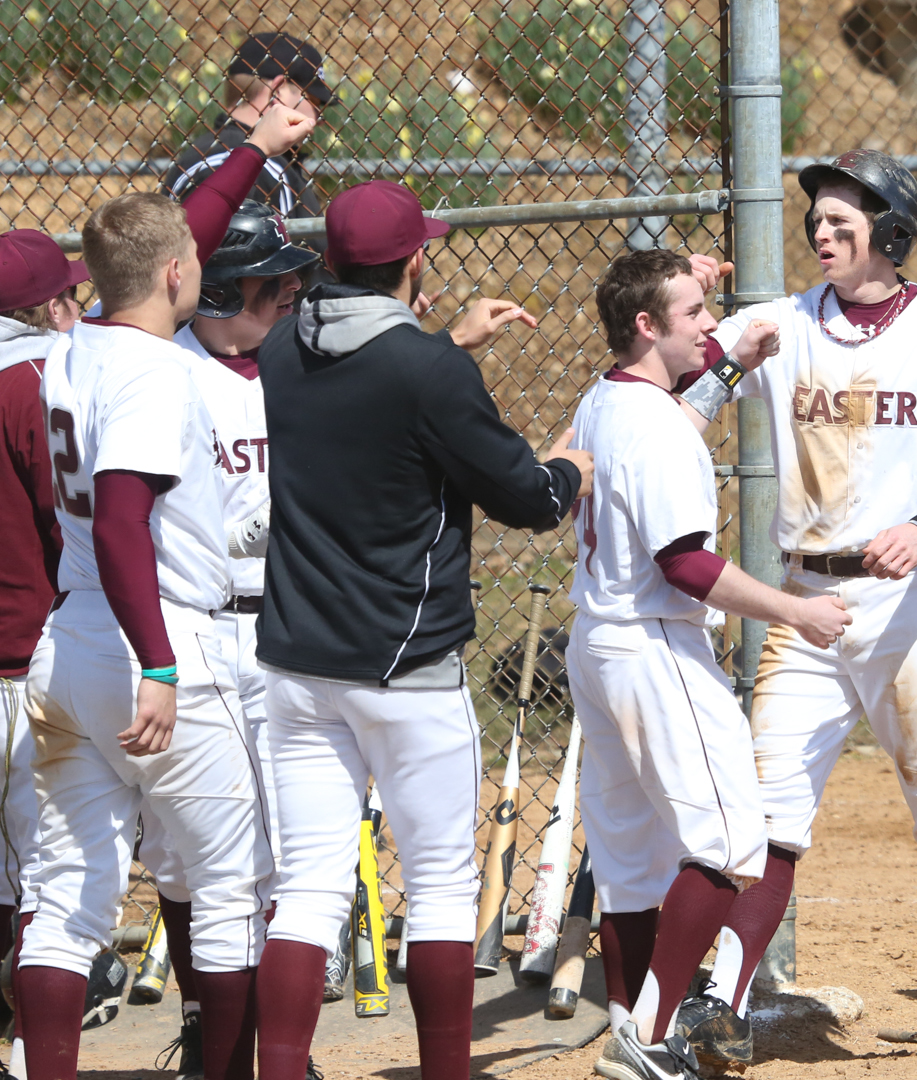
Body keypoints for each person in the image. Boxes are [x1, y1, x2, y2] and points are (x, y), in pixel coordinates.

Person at [668, 149, 917, 1067]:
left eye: (842, 221)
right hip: (806, 599)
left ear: (891, 232)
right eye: (817, 221)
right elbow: (683, 394)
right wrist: (705, 334)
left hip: (914, 606)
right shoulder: (785, 322)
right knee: (767, 810)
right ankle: (724, 1001)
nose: (821, 234)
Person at [247, 180, 590, 1080]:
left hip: (295, 659)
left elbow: (373, 390)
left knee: (308, 888)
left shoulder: (282, 345)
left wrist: (438, 341)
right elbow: (526, 498)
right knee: (440, 881)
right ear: (413, 262)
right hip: (405, 664)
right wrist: (571, 469)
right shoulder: (428, 370)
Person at [18, 104, 317, 1080]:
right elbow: (118, 518)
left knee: (68, 891)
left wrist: (251, 152)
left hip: (69, 652)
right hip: (167, 645)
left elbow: (179, 229)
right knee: (229, 888)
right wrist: (157, 661)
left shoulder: (69, 351)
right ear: (176, 275)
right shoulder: (156, 371)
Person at [567, 248, 851, 1080]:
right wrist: (795, 609)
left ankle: (628, 1021)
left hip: (601, 643)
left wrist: (724, 364)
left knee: (627, 862)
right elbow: (686, 563)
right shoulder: (651, 421)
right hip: (657, 644)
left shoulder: (606, 395)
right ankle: (649, 1041)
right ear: (648, 326)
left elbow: (673, 425)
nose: (708, 326)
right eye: (695, 314)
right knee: (732, 845)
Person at [135, 202, 324, 1080]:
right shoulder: (171, 374)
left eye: (293, 283)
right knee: (189, 856)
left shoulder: (293, 364)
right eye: (271, 284)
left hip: (282, 628)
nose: (290, 295)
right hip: (203, 627)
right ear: (217, 290)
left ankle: (267, 1051)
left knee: (276, 853)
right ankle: (210, 1028)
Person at [0, 229, 86, 1051]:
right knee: (45, 873)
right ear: (48, 307)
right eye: (71, 296)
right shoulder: (38, 382)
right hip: (28, 659)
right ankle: (34, 1053)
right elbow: (72, 529)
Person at [163, 32, 334, 222]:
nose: (320, 118)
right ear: (278, 91)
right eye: (315, 102)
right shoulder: (256, 168)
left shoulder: (204, 151)